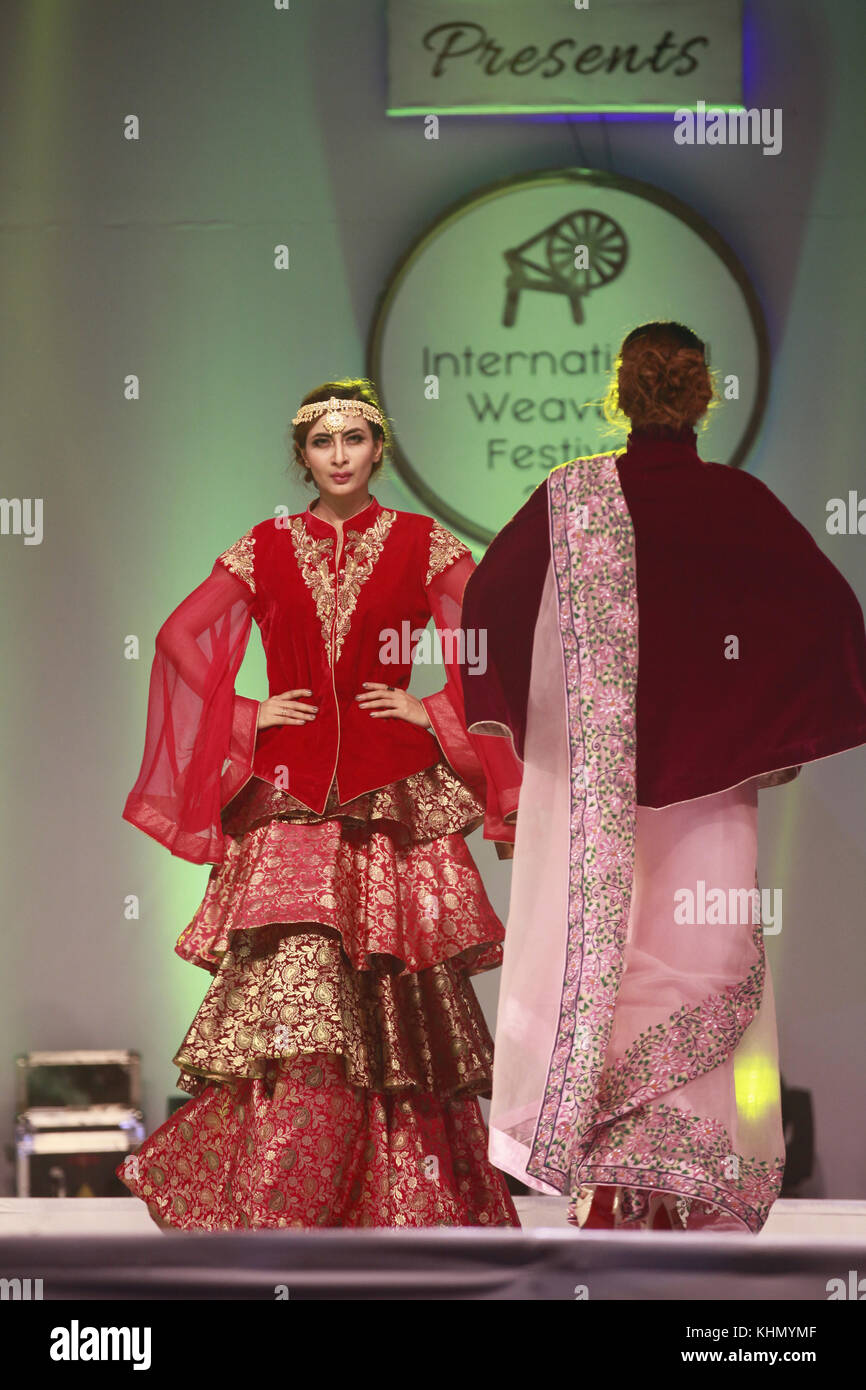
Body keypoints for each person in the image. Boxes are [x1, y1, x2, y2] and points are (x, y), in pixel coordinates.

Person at [459, 322, 866, 1233]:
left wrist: (539, 728)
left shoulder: (572, 495)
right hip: (712, 785)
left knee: (608, 955)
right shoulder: (739, 502)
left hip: (598, 787)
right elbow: (832, 617)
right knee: (697, 964)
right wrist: (768, 726)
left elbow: (488, 603)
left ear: (619, 393)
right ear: (705, 396)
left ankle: (609, 1183)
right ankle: (682, 1181)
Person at [116, 378, 519, 1229]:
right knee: (295, 995)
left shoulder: (420, 540)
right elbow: (177, 637)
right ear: (301, 457)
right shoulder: (266, 544)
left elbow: (489, 635)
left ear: (380, 449)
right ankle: (283, 1196)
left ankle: (395, 1199)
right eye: (323, 442)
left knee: (391, 991)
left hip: (391, 793)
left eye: (355, 439)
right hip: (292, 792)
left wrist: (434, 706)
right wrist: (248, 713)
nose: (339, 455)